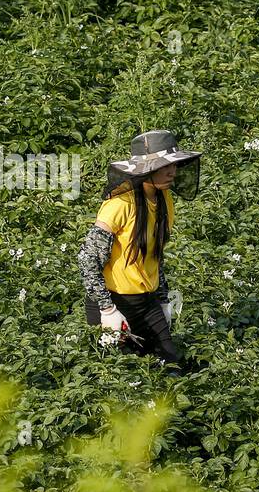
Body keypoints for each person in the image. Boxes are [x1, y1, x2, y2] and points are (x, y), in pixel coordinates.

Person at [77, 129, 202, 370]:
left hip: (147, 302)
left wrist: (163, 299)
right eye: (164, 165)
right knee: (119, 376)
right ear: (146, 169)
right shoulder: (120, 204)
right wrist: (107, 309)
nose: (172, 171)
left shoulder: (164, 199)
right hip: (114, 301)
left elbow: (154, 255)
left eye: (173, 165)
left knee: (171, 367)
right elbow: (87, 259)